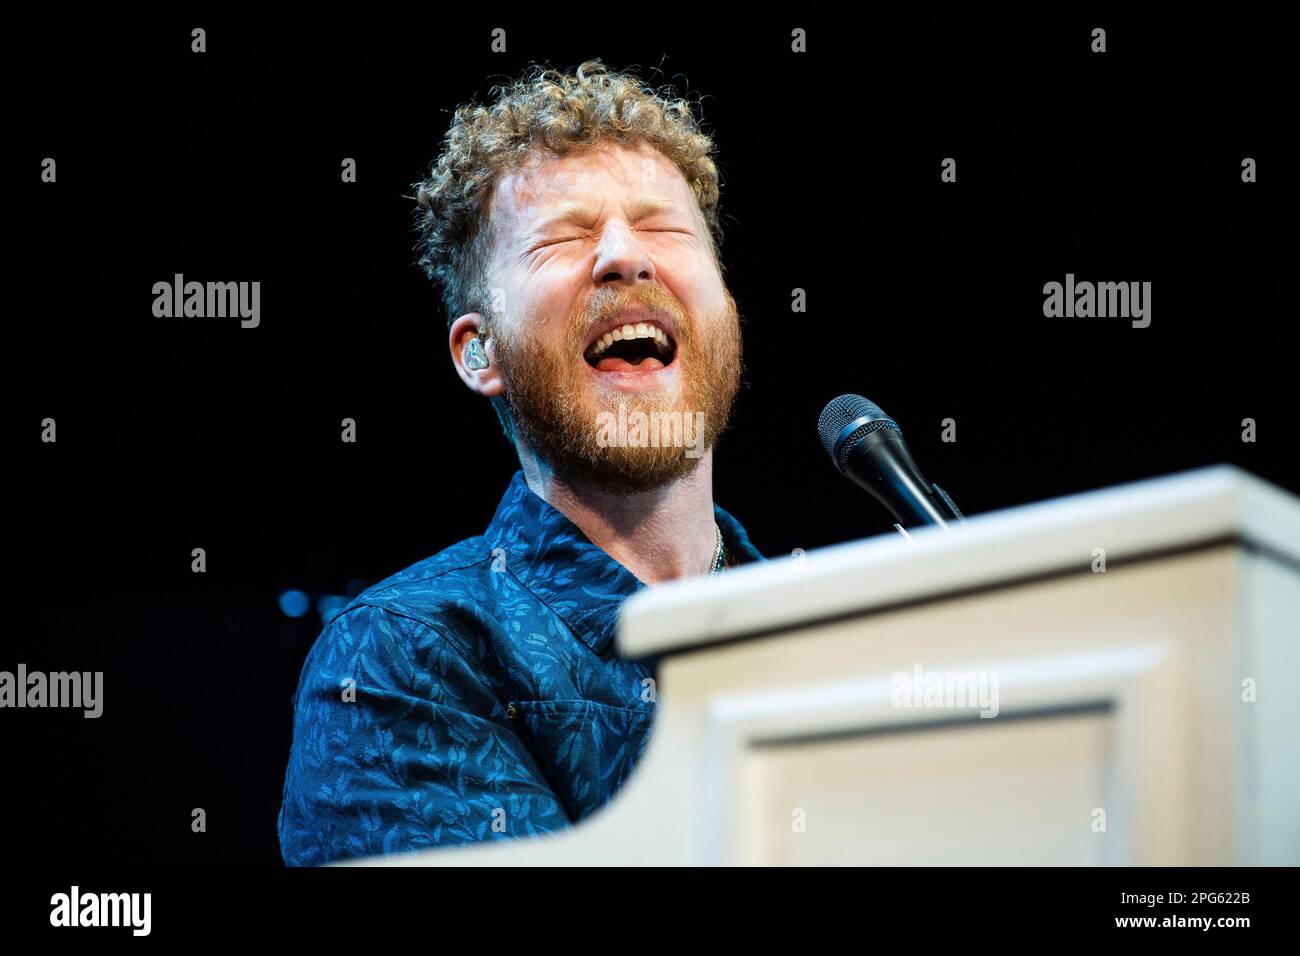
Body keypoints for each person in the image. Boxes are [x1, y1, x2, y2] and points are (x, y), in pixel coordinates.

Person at [278, 59, 763, 866]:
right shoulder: (400, 660)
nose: (624, 256)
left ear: (727, 314)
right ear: (480, 353)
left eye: (664, 229)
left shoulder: (831, 629)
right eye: (564, 236)